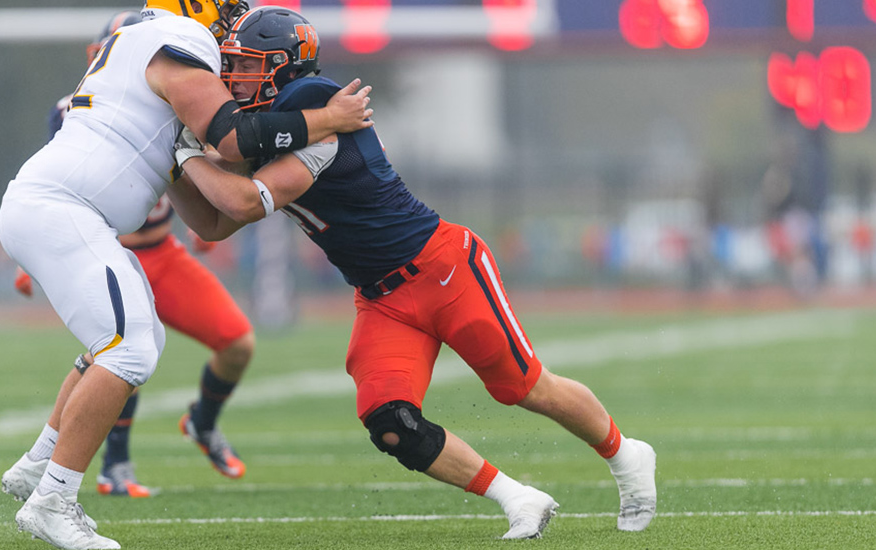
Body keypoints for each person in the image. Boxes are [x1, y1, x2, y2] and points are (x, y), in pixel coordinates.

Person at [168, 6, 657, 539]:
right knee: (390, 423)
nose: (230, 78)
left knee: (524, 387)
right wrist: (172, 168)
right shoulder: (275, 123)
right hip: (381, 299)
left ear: (283, 65)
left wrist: (184, 151)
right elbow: (212, 224)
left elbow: (236, 189)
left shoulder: (308, 100)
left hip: (442, 268)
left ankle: (626, 457)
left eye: (244, 65)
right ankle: (518, 497)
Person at [0, 0, 374, 547]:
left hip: (71, 211)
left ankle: (37, 465)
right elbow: (233, 138)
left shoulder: (146, 51)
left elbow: (208, 222)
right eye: (225, 9)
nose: (230, 24)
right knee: (126, 350)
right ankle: (53, 499)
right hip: (64, 208)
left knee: (137, 338)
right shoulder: (177, 39)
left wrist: (209, 171)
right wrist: (325, 121)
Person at [8, 10, 254, 503]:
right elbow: (68, 176)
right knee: (124, 348)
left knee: (225, 342)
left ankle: (44, 465)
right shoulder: (119, 87)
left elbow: (206, 183)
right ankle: (75, 480)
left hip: (159, 249)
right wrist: (315, 123)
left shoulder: (172, 89)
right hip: (97, 237)